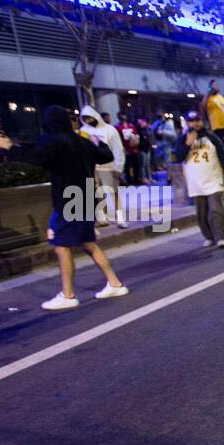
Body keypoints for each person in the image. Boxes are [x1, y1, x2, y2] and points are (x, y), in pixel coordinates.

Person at [19, 105, 128, 310]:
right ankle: (115, 283)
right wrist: (99, 142)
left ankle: (68, 295)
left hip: (67, 200)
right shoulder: (82, 141)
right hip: (86, 197)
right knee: (88, 244)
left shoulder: (51, 140)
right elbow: (106, 156)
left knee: (62, 245)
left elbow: (36, 159)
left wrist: (11, 147)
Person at [174, 109, 224, 248]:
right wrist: (187, 144)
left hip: (213, 180)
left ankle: (220, 236)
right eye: (191, 121)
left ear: (202, 121)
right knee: (201, 214)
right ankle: (209, 236)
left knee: (216, 209)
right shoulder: (182, 139)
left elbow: (222, 157)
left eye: (197, 120)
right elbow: (179, 158)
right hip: (195, 182)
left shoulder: (212, 138)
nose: (195, 124)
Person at [78, 107, 127, 227]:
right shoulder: (83, 131)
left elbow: (117, 148)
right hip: (92, 168)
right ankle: (102, 217)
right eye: (85, 119)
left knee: (114, 192)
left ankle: (120, 217)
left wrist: (118, 166)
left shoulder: (110, 130)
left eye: (90, 117)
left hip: (109, 166)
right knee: (98, 193)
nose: (89, 120)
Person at [203, 79, 224, 150]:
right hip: (215, 125)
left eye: (217, 85)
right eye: (215, 85)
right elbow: (203, 106)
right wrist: (208, 92)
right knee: (218, 142)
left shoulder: (221, 97)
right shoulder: (209, 98)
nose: (217, 86)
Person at [117, 113, 140, 185]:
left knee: (136, 164)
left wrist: (136, 145)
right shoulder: (117, 127)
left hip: (134, 148)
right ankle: (129, 180)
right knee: (127, 165)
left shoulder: (131, 126)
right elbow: (118, 138)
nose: (123, 117)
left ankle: (136, 179)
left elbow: (136, 135)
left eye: (124, 116)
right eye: (121, 116)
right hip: (125, 149)